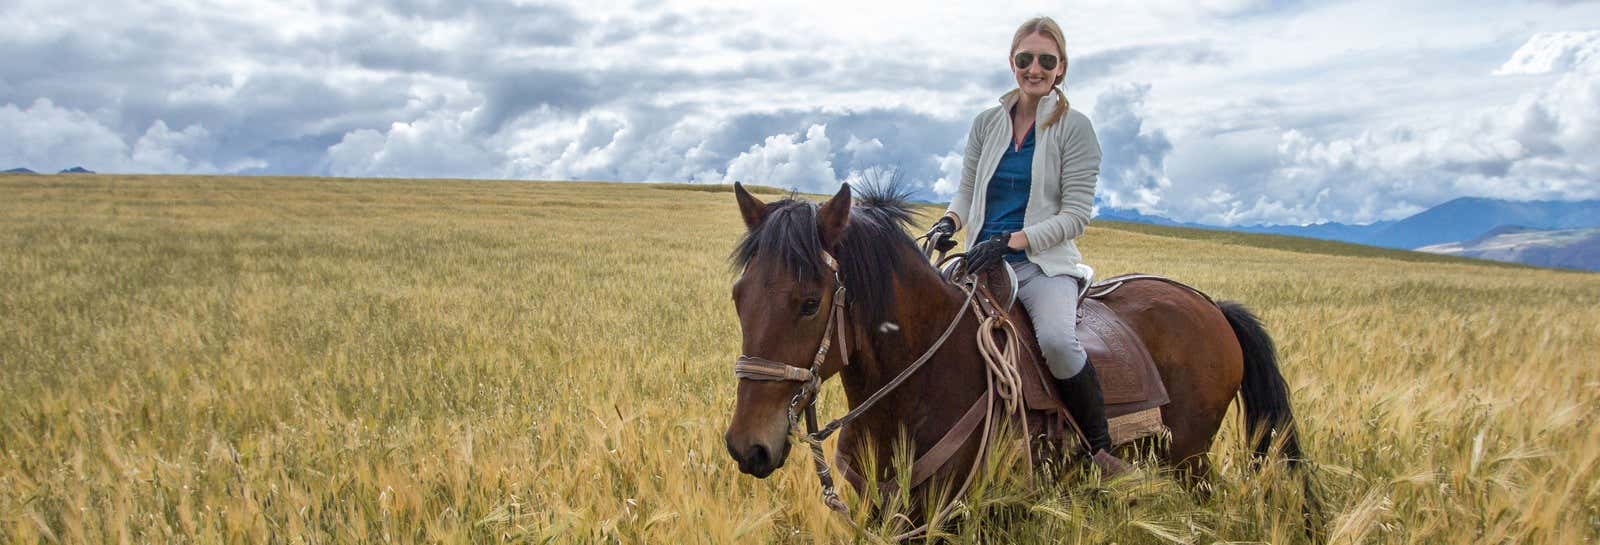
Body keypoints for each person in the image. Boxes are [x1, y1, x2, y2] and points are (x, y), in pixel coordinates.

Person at [928, 15, 1128, 476]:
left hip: (1041, 267)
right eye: (1025, 59)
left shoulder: (1075, 129)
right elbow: (966, 189)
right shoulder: (986, 123)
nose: (1033, 68)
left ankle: (1099, 449)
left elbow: (1075, 215)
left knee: (1058, 342)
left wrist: (1013, 240)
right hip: (979, 261)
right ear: (1012, 62)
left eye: (1045, 60)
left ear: (1061, 68)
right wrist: (949, 221)